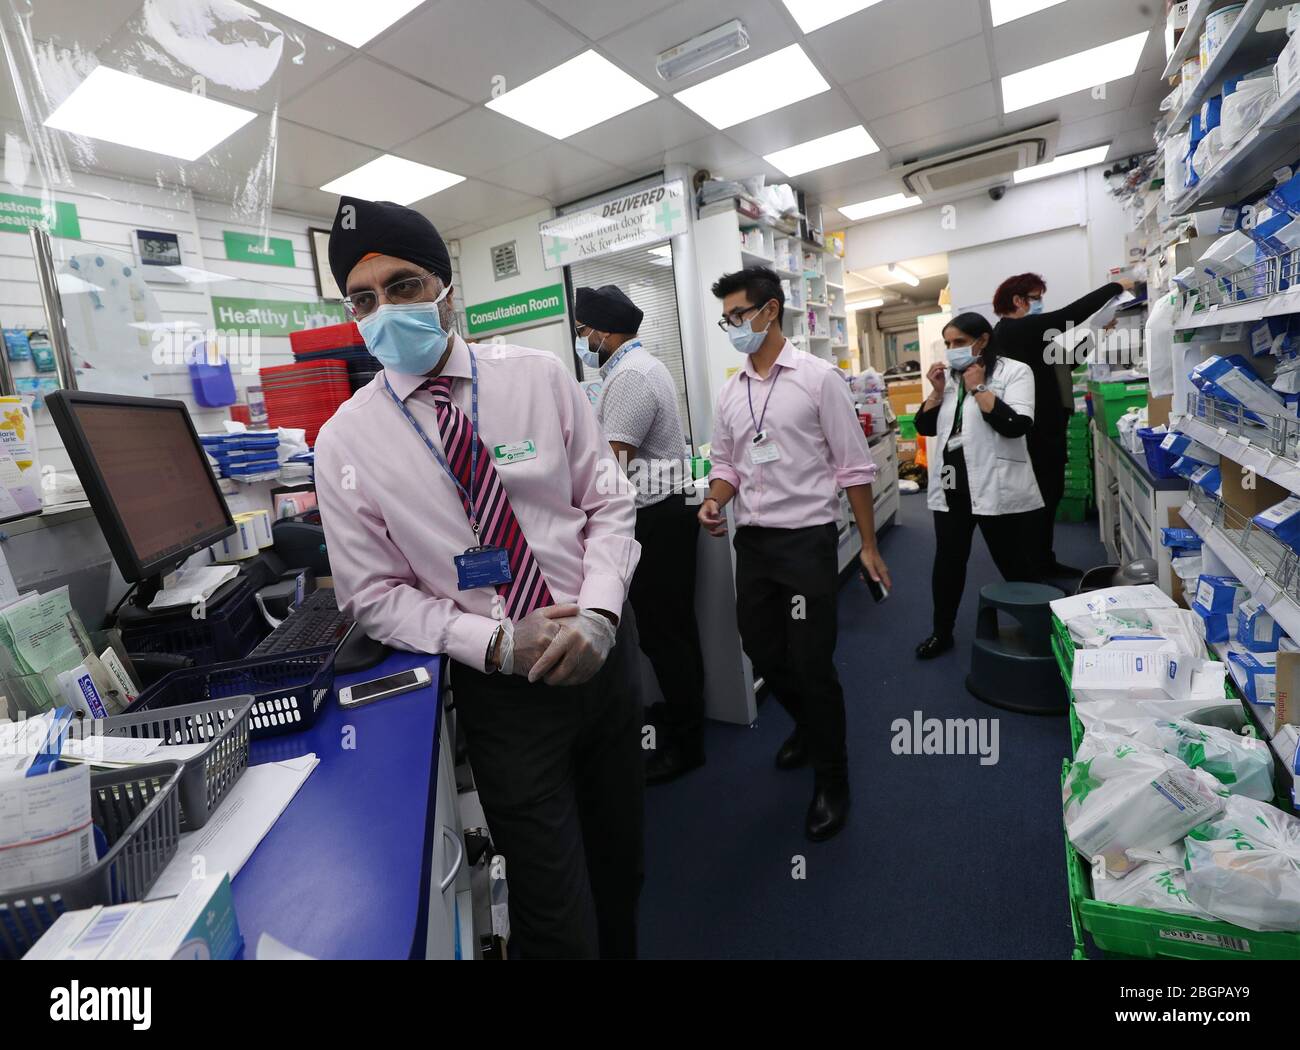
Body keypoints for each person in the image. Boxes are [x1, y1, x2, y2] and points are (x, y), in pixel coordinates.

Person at [313, 197, 643, 960]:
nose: (385, 310)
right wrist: (497, 642)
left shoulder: (538, 376)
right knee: (551, 907)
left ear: (445, 289)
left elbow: (608, 502)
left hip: (604, 656)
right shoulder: (344, 442)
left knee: (621, 867)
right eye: (363, 299)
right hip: (506, 695)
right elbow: (372, 594)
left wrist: (598, 615)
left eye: (403, 286)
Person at [700, 266, 891, 842]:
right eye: (726, 318)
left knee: (812, 661)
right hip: (753, 541)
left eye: (740, 315)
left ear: (771, 310)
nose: (733, 326)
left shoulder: (817, 379)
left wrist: (869, 545)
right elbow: (728, 463)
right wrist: (714, 500)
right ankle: (811, 727)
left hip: (807, 539)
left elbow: (853, 465)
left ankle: (833, 781)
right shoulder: (732, 391)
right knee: (761, 646)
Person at [574, 284, 707, 786]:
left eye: (585, 332)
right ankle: (682, 719)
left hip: (655, 519)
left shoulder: (629, 376)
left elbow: (613, 465)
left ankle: (688, 744)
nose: (583, 341)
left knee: (665, 636)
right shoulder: (639, 367)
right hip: (664, 512)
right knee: (671, 631)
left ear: (604, 332)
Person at [913, 313, 1043, 660]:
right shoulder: (951, 380)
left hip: (994, 484)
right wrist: (937, 392)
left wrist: (980, 388)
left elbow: (1017, 425)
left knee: (1014, 563)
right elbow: (925, 426)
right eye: (948, 343)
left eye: (959, 342)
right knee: (948, 563)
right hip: (952, 484)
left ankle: (1041, 632)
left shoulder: (1014, 372)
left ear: (982, 340)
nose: (952, 350)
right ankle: (942, 632)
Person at [993, 272, 1134, 578]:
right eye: (1036, 298)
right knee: (1038, 502)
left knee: (1049, 497)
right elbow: (1069, 315)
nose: (1041, 305)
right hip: (1033, 433)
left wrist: (1097, 333)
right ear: (1018, 301)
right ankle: (1034, 571)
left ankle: (1044, 560)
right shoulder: (1014, 330)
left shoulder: (1027, 335)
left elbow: (1064, 363)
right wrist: (1115, 287)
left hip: (1049, 427)